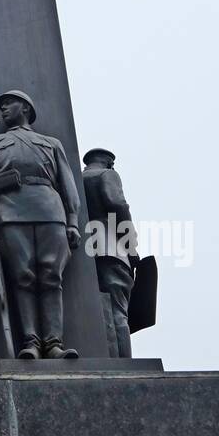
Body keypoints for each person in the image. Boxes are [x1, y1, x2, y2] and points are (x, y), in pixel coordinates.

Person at [0, 91, 81, 359]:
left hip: (48, 209)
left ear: (25, 107)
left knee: (51, 275)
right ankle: (31, 342)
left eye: (8, 104)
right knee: (22, 276)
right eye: (1, 106)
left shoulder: (51, 143)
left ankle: (53, 342)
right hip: (9, 213)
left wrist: (72, 221)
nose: (3, 109)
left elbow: (67, 185)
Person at [82, 147, 137, 358]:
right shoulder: (108, 175)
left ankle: (107, 358)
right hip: (110, 247)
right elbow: (118, 205)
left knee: (98, 310)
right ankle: (124, 362)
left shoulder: (76, 179)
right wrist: (130, 245)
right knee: (118, 312)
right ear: (109, 163)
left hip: (83, 253)